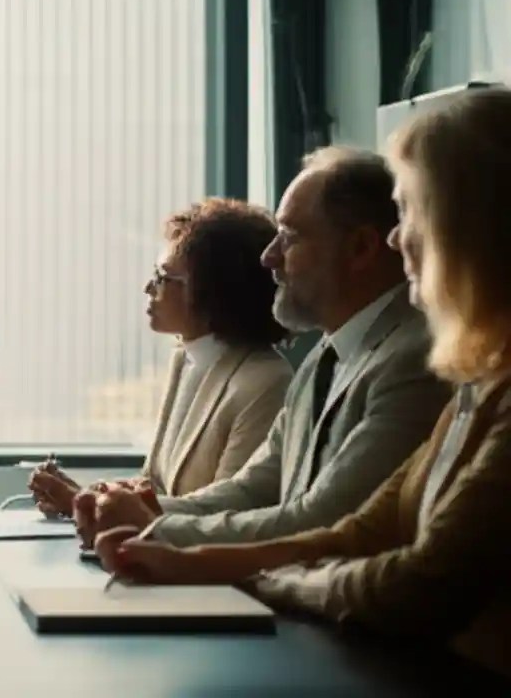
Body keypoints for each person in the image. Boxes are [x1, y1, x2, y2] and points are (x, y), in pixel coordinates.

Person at [100, 88, 511, 679]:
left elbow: (418, 578)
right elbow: (357, 528)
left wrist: (256, 574)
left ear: (475, 231)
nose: (398, 238)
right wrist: (174, 542)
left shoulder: (432, 367)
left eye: (414, 214)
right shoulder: (465, 382)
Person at [79, 147, 450, 549]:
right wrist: (139, 512)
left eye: (289, 236)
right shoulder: (322, 359)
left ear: (360, 248)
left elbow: (322, 522)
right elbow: (252, 489)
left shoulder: (414, 360)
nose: (269, 257)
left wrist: (155, 528)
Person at [29, 198, 292, 514]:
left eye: (163, 277)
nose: (148, 288)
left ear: (215, 290)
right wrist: (86, 496)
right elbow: (154, 484)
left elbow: (228, 510)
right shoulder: (185, 359)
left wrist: (85, 504)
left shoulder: (265, 382)